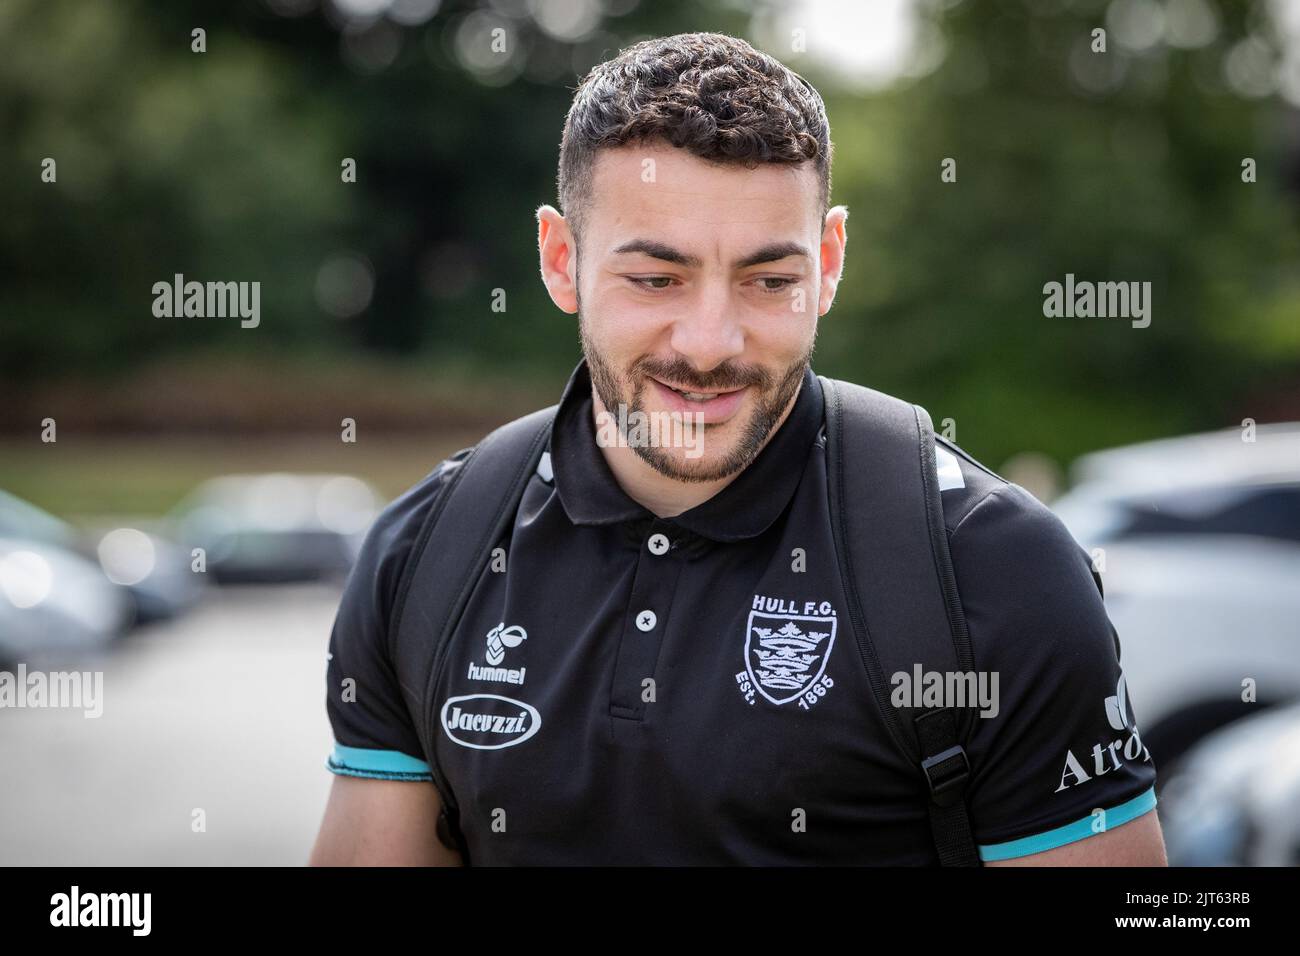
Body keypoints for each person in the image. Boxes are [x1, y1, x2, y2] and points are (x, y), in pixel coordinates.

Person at [310, 32, 1165, 866]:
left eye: (769, 281)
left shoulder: (995, 570)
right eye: (656, 279)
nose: (712, 342)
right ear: (560, 258)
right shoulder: (428, 553)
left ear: (828, 264)